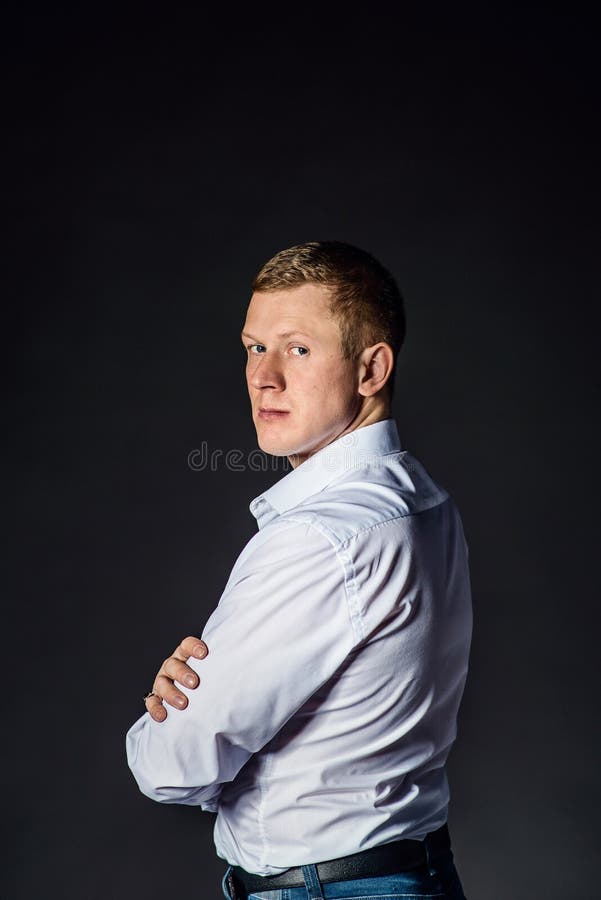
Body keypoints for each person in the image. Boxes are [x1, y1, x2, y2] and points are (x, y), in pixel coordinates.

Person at [126, 241, 473, 900]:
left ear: (371, 368)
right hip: (410, 873)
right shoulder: (421, 499)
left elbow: (171, 766)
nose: (263, 377)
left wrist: (167, 723)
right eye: (255, 347)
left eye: (298, 349)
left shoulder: (321, 537)